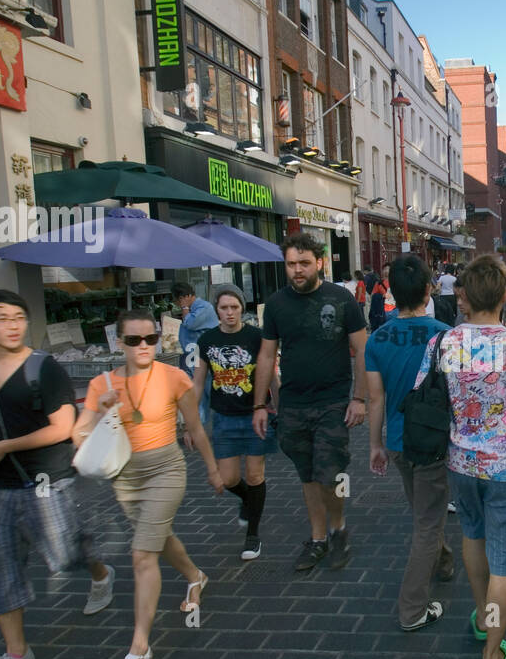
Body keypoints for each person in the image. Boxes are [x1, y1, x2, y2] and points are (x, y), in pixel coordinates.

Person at [0, 290, 114, 659]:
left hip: (46, 478)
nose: (13, 324)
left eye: (19, 316)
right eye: (2, 318)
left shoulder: (44, 368)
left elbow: (61, 428)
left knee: (64, 552)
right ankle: (17, 652)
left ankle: (100, 572)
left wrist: (2, 446)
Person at [73, 309, 222, 659]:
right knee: (158, 536)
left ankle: (139, 647)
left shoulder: (174, 377)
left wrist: (211, 468)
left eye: (151, 339)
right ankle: (195, 576)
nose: (144, 346)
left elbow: (195, 428)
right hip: (125, 475)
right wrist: (101, 413)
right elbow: (78, 437)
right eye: (134, 340)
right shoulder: (100, 385)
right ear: (118, 342)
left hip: (167, 469)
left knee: (142, 553)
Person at [415, 255, 506, 659]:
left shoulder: (443, 344)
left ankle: (481, 615)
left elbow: (425, 394)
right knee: (503, 559)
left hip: (461, 462)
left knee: (472, 534)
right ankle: (492, 655)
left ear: (465, 296)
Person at [253, 233, 368, 572]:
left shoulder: (342, 298)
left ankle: (339, 527)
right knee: (307, 474)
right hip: (293, 404)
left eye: (304, 263)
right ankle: (318, 539)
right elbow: (265, 355)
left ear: (319, 262)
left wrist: (359, 398)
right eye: (291, 264)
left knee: (331, 474)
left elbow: (362, 350)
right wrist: (260, 404)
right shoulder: (275, 305)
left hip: (333, 400)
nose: (297, 270)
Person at [366, 255, 455, 630]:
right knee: (427, 523)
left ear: (392, 294)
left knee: (423, 512)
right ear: (428, 290)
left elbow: (375, 399)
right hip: (434, 440)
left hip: (399, 441)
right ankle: (413, 608)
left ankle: (445, 560)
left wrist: (375, 444)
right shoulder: (445, 333)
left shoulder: (377, 338)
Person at [193, 284, 275, 562]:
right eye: (224, 308)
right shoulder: (207, 341)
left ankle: (253, 534)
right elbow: (198, 381)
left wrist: (277, 404)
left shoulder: (256, 336)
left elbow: (270, 370)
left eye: (235, 307)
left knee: (255, 475)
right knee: (228, 478)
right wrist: (190, 421)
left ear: (242, 308)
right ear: (217, 310)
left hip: (254, 414)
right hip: (224, 418)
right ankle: (246, 500)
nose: (229, 313)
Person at [172, 282, 219, 427]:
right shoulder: (194, 309)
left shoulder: (204, 307)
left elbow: (191, 324)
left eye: (177, 300)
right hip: (192, 358)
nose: (177, 304)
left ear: (184, 297)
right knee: (197, 395)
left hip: (204, 358)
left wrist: (185, 308)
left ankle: (218, 425)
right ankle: (199, 427)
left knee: (210, 392)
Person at [369, 266, 395, 331]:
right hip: (382, 311)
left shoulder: (396, 282)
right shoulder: (379, 283)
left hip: (395, 310)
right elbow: (373, 295)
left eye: (388, 269)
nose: (386, 271)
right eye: (385, 269)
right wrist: (382, 296)